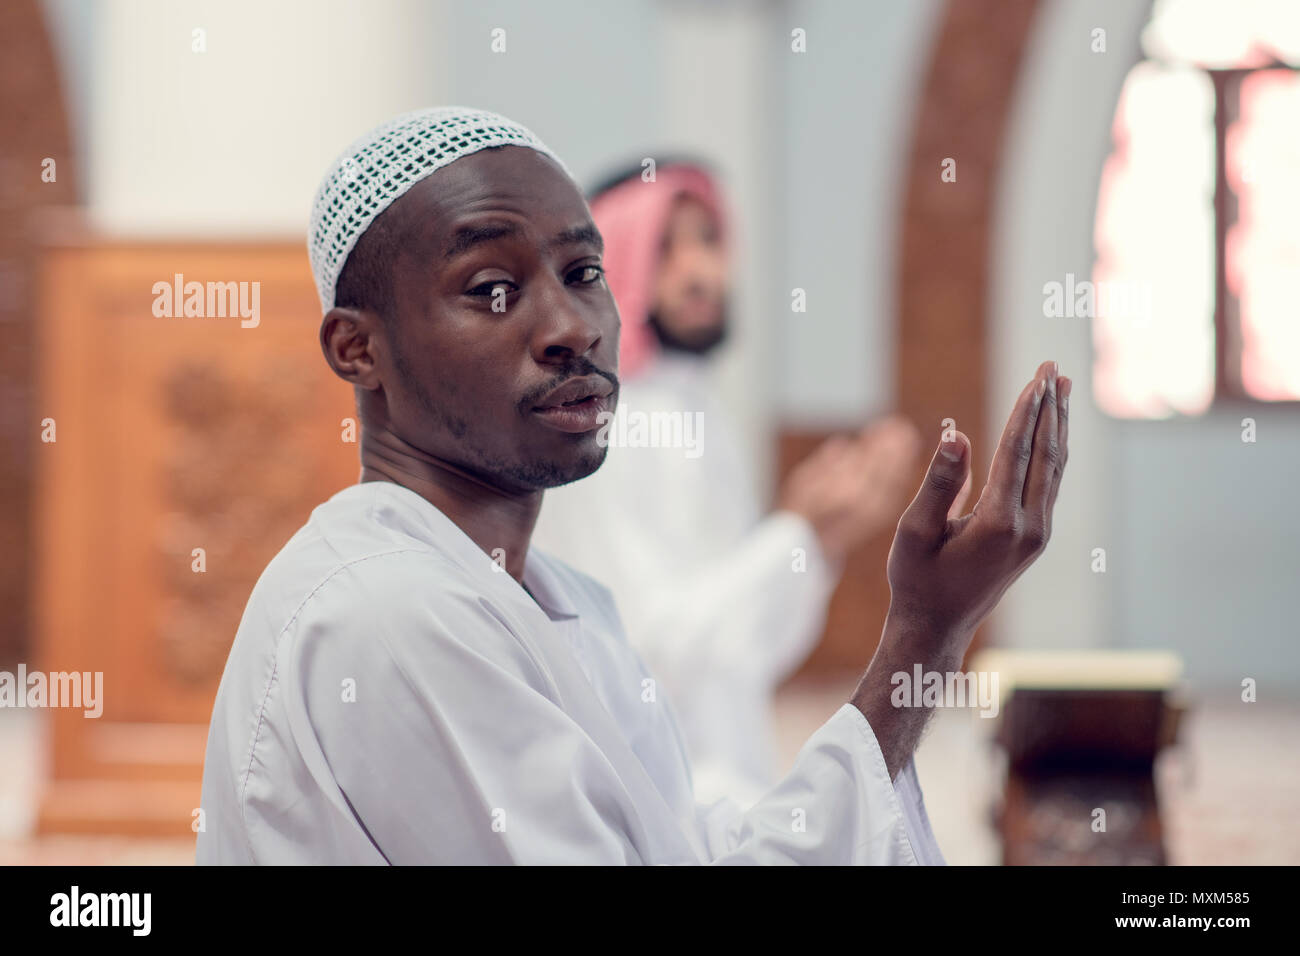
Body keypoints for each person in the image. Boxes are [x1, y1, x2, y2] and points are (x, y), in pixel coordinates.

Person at [195, 106, 1071, 865]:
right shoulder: (387, 612)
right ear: (357, 348)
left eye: (583, 274)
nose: (573, 327)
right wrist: (881, 601)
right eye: (494, 289)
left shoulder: (561, 599)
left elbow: (681, 846)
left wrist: (923, 630)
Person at [532, 160, 922, 806]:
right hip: (644, 795)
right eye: (666, 246)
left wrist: (821, 540)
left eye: (708, 240)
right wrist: (796, 529)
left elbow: (752, 653)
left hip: (729, 786)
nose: (698, 272)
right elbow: (650, 649)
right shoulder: (600, 422)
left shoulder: (707, 415)